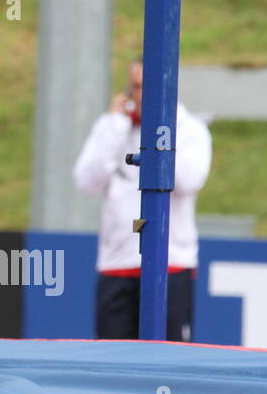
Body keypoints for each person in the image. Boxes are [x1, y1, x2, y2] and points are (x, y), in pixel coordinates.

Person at [73, 56, 212, 341]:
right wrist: (115, 127)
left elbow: (189, 180)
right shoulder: (113, 127)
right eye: (136, 87)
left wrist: (160, 135)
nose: (143, 95)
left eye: (151, 86)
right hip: (116, 264)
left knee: (170, 356)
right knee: (111, 360)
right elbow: (86, 182)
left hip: (171, 264)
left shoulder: (190, 129)